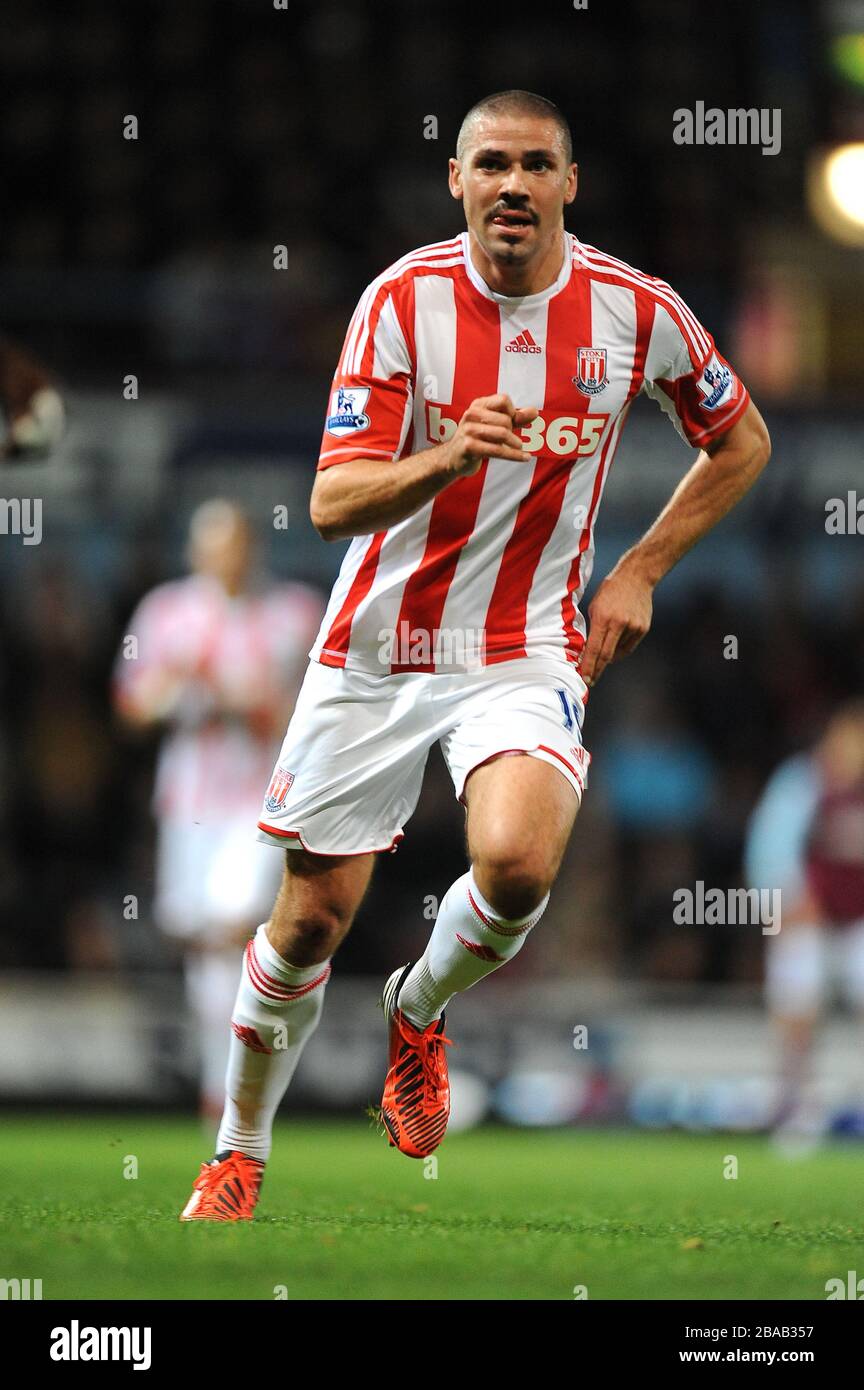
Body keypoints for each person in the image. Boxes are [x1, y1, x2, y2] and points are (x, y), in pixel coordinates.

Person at [180, 89, 771, 1220]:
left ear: (568, 184)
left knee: (516, 863)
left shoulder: (633, 312)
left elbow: (741, 438)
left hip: (525, 641)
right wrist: (447, 453)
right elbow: (330, 501)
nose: (512, 184)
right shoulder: (401, 301)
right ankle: (238, 1151)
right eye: (490, 163)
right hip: (381, 644)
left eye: (535, 165)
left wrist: (641, 568)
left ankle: (417, 1006)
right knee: (306, 923)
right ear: (456, 181)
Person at [113, 499, 325, 1119]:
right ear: (194, 553)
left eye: (231, 544)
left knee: (238, 924)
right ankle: (225, 1078)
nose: (221, 558)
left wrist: (259, 706)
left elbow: (324, 710)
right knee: (202, 938)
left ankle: (240, 1085)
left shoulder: (292, 614)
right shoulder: (166, 613)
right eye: (209, 547)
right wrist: (176, 689)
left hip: (261, 800)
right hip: (188, 801)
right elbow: (131, 705)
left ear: (250, 546)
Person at [747, 704, 864, 1142]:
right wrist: (782, 901)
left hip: (859, 919)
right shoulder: (802, 783)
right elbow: (769, 848)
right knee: (797, 999)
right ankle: (796, 1105)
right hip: (807, 913)